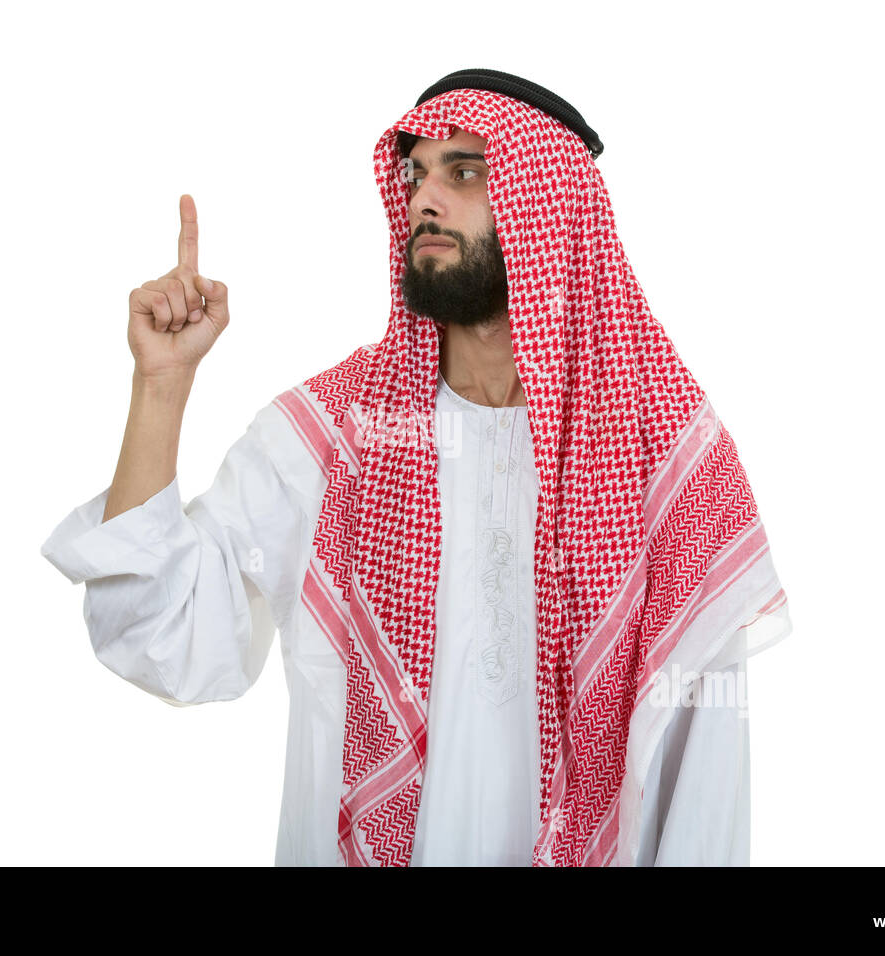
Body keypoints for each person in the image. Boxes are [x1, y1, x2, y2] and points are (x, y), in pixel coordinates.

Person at [41, 69, 793, 867]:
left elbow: (708, 785)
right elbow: (163, 639)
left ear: (554, 213)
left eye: (465, 172)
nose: (423, 200)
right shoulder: (338, 434)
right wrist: (160, 389)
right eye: (415, 175)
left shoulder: (666, 456)